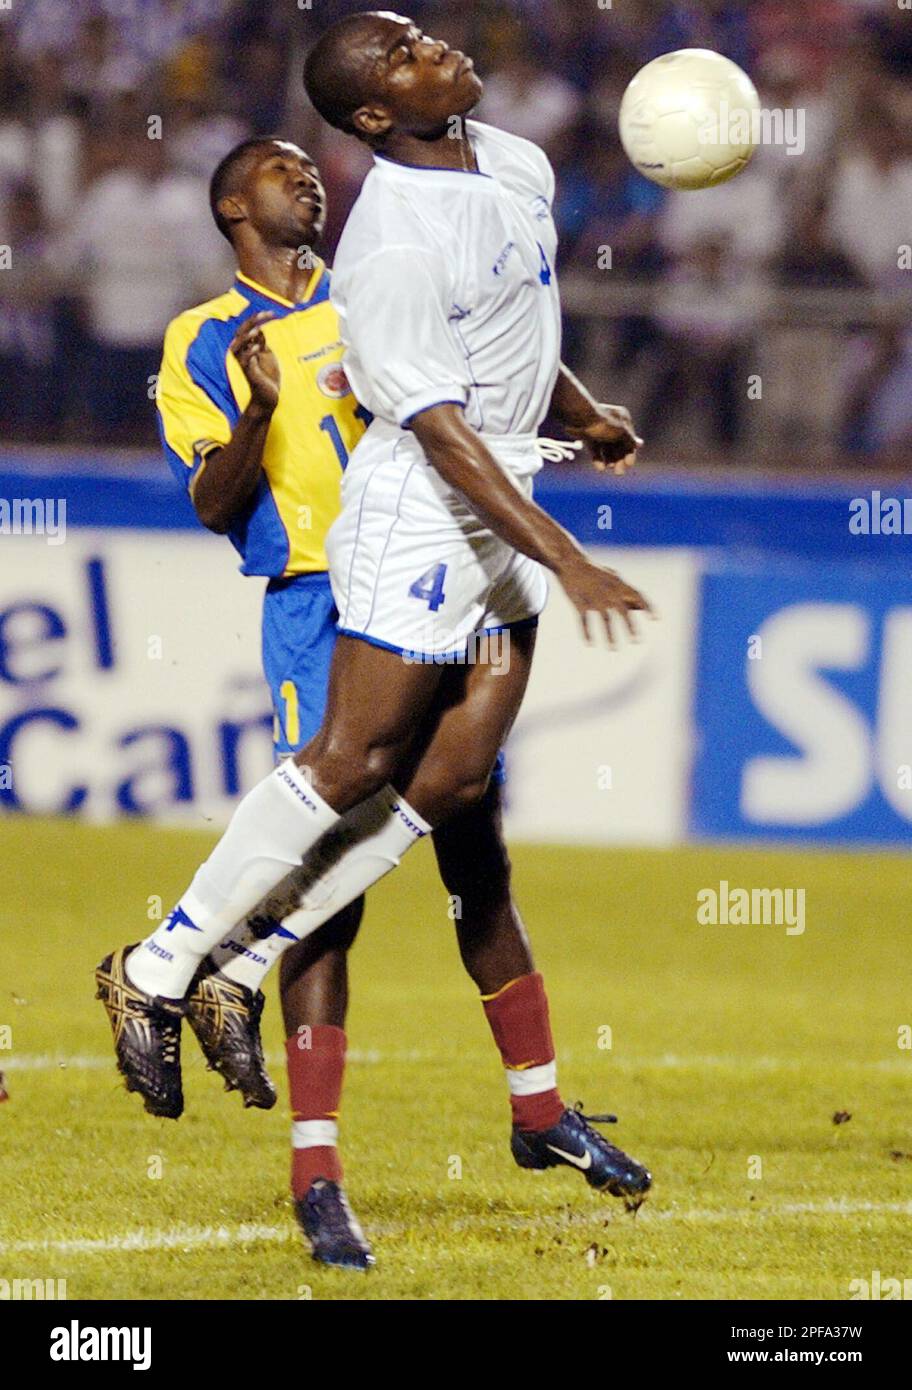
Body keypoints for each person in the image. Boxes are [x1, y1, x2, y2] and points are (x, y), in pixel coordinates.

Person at [97, 10, 654, 1262]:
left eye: (421, 34)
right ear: (370, 116)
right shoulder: (379, 248)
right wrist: (572, 560)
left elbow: (516, 325)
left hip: (506, 500)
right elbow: (437, 423)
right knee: (348, 771)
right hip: (410, 527)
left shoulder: (514, 163)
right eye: (402, 52)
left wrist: (578, 408)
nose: (436, 48)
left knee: (461, 798)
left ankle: (527, 1102)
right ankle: (170, 969)